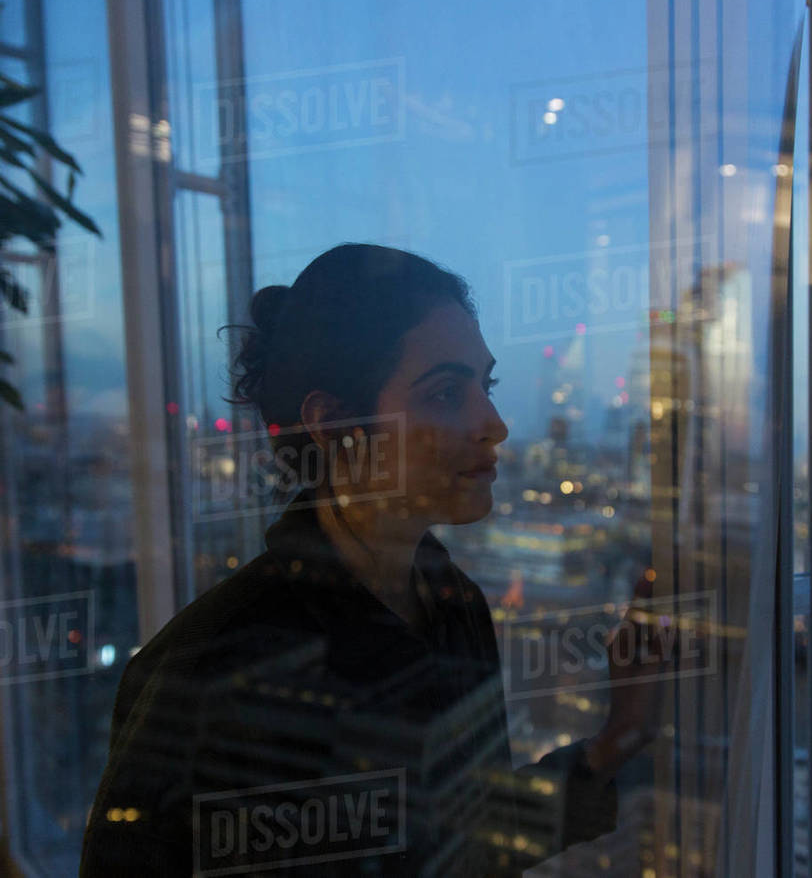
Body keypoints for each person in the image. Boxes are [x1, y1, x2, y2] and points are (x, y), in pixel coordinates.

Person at [80, 244, 665, 876]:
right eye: (445, 392)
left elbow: (465, 835)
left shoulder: (452, 603)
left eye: (486, 385)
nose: (493, 423)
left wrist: (614, 741)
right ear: (333, 423)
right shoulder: (212, 665)